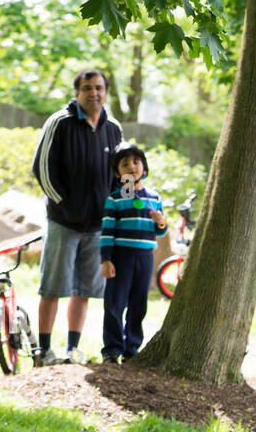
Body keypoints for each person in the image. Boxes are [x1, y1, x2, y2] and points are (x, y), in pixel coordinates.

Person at [32, 68, 124, 364]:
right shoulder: (59, 123)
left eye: (99, 87)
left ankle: (73, 350)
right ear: (77, 93)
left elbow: (124, 174)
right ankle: (44, 351)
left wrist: (118, 207)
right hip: (63, 222)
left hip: (98, 226)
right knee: (52, 288)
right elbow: (42, 169)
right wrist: (64, 205)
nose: (93, 93)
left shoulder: (114, 128)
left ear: (106, 92)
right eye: (87, 88)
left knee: (83, 290)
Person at [100, 144, 168, 362]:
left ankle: (132, 349)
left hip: (145, 257)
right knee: (115, 303)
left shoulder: (155, 198)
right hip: (121, 256)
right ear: (118, 173)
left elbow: (161, 230)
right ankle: (112, 349)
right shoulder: (116, 198)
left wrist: (161, 222)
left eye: (136, 162)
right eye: (125, 164)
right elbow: (107, 231)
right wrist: (106, 259)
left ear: (144, 169)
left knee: (139, 304)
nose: (131, 166)